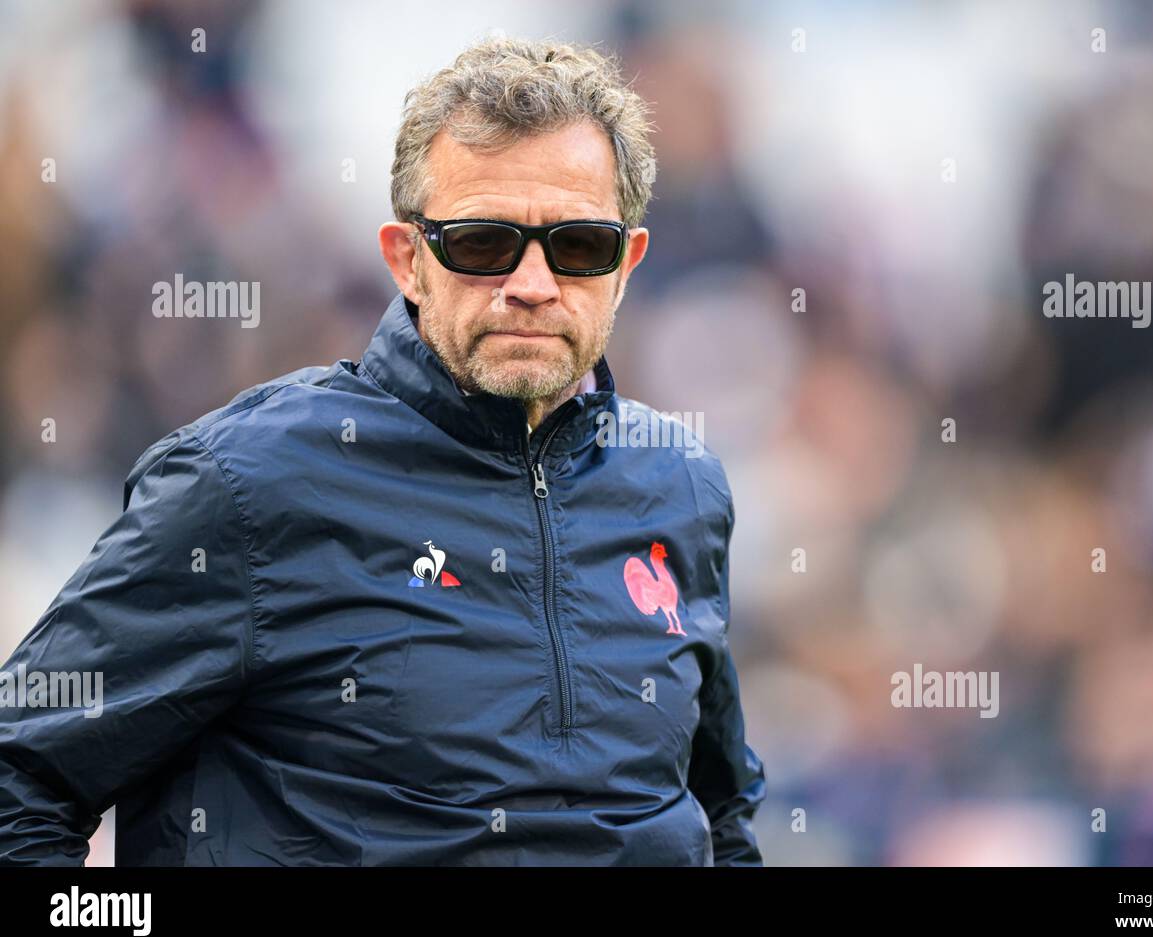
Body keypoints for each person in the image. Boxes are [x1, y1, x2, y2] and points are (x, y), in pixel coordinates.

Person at [0, 35, 766, 865]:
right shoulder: (245, 485)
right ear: (407, 260)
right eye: (483, 244)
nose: (533, 284)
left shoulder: (682, 486)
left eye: (580, 247)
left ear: (626, 265)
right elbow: (19, 783)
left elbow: (720, 815)